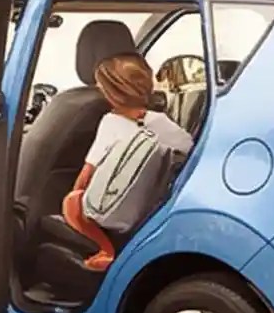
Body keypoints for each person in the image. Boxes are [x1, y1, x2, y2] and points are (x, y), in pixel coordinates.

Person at [61, 53, 193, 271]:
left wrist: (78, 198)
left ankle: (106, 249)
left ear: (110, 94)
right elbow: (187, 148)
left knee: (71, 202)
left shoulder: (110, 123)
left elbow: (88, 170)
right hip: (148, 208)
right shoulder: (160, 121)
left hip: (112, 211)